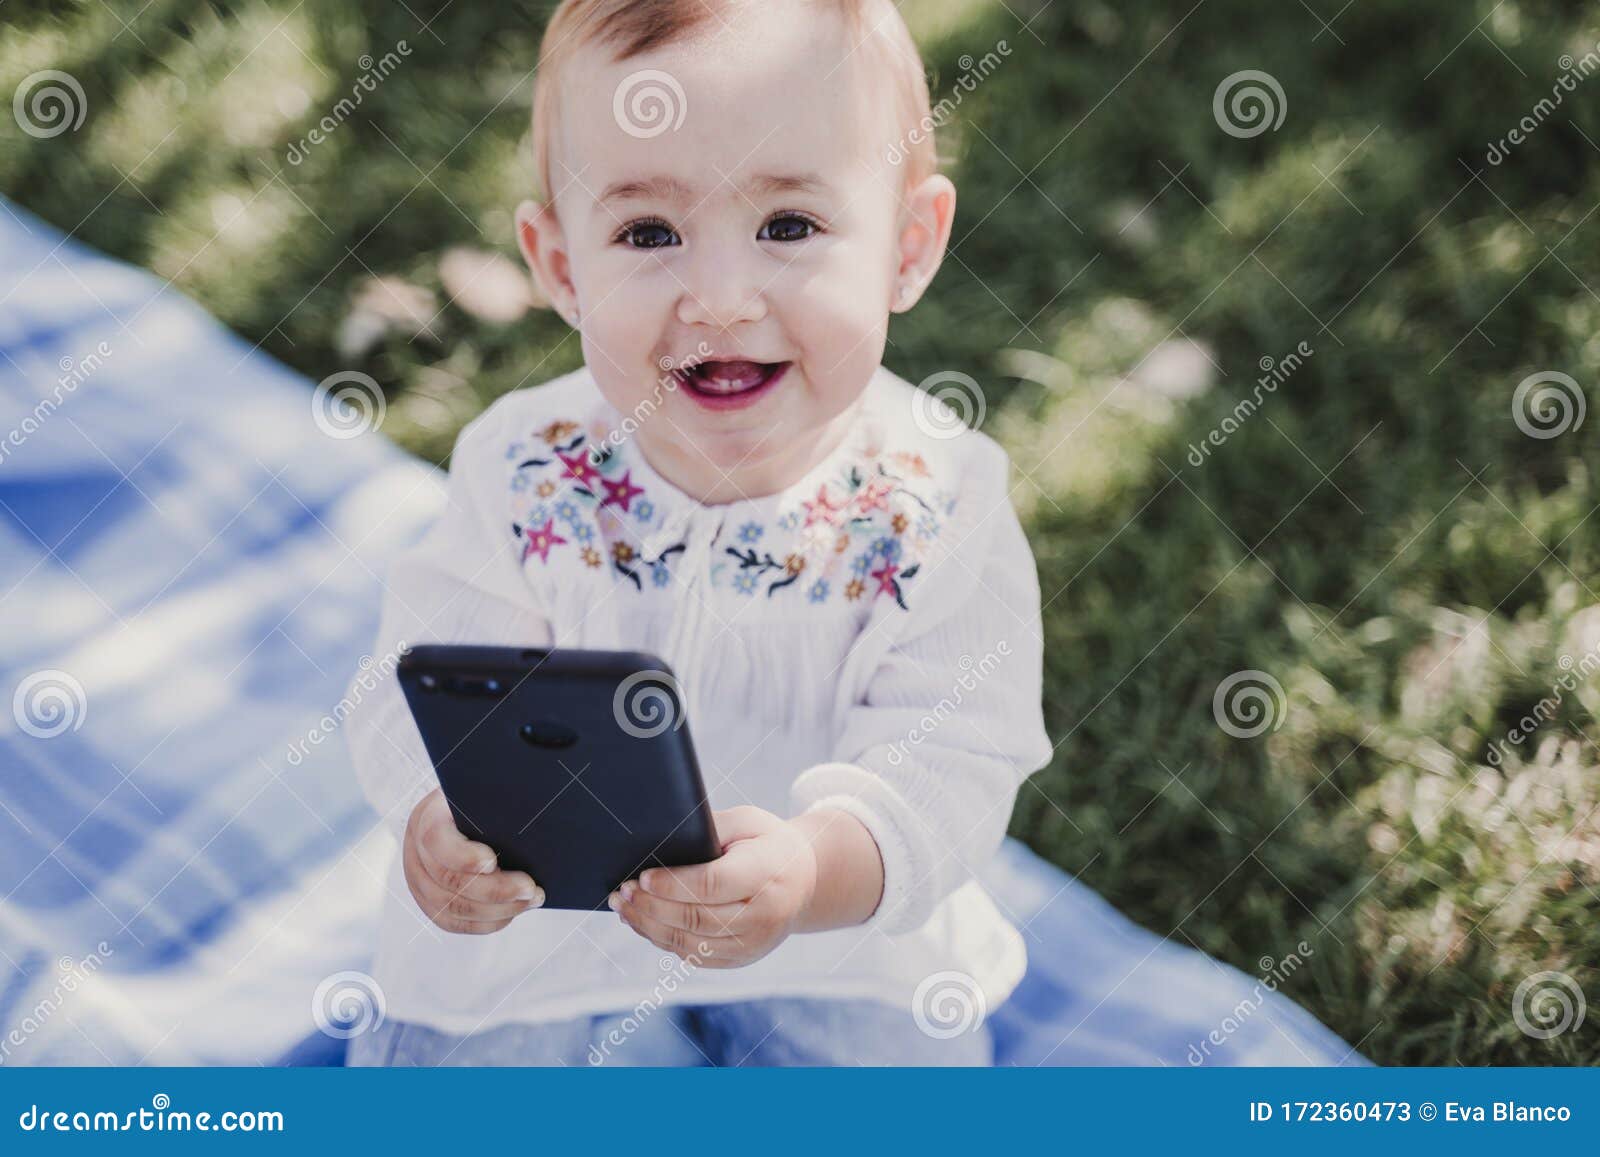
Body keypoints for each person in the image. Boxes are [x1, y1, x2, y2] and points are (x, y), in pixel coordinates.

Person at [344, 0, 1052, 1066]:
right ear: (563, 267)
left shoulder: (936, 496)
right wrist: (432, 817)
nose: (720, 299)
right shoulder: (522, 466)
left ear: (907, 247)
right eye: (648, 233)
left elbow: (953, 750)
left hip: (833, 953)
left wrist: (816, 869)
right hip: (541, 941)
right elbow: (419, 681)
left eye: (788, 226)